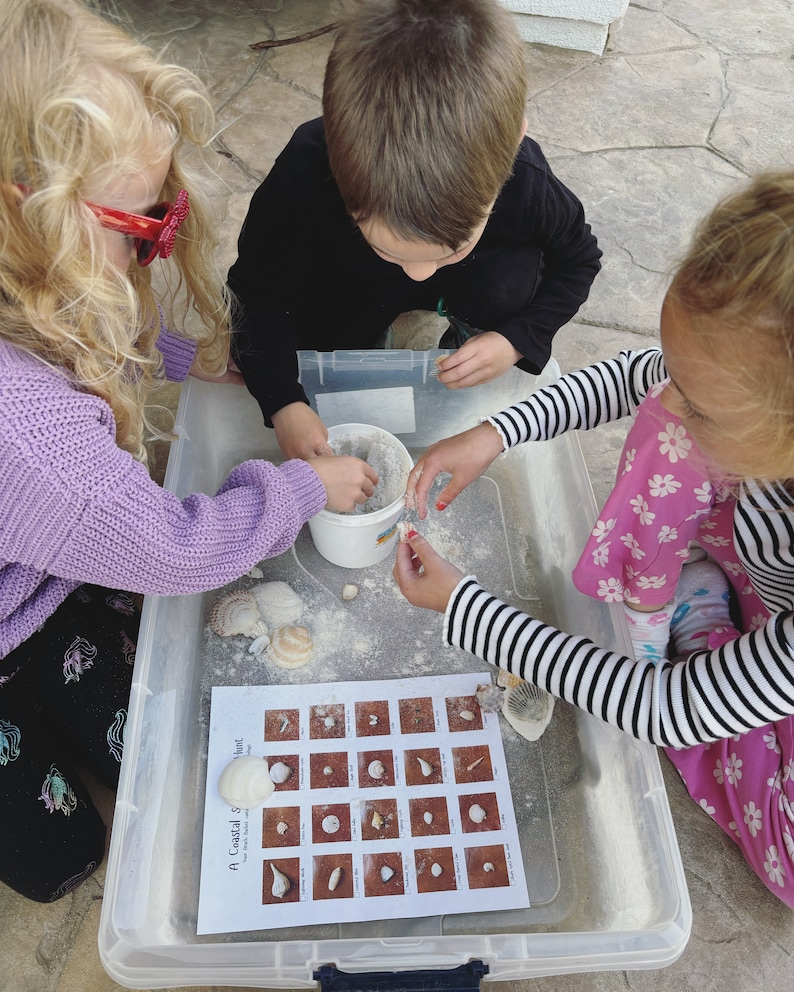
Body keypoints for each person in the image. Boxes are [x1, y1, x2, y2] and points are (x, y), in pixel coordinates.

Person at [0, 0, 377, 903]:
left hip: (37, 568)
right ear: (27, 209)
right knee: (66, 861)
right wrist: (299, 489)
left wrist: (205, 360)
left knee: (168, 747)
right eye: (145, 228)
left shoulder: (32, 273)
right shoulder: (33, 443)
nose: (162, 243)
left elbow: (95, 335)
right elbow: (174, 550)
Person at [394, 170, 794, 908]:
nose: (666, 400)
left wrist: (463, 606)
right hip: (774, 572)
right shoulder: (752, 392)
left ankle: (711, 639)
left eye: (701, 406)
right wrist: (496, 430)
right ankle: (727, 616)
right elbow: (636, 375)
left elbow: (665, 708)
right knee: (675, 435)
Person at [228, 0, 601, 461]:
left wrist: (517, 338)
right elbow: (256, 297)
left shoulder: (526, 179)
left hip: (480, 281)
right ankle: (366, 340)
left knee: (510, 284)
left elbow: (579, 259)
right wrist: (283, 401)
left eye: (448, 250)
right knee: (317, 331)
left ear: (512, 148)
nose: (419, 273)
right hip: (351, 281)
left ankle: (472, 338)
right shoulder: (306, 170)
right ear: (338, 177)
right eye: (390, 249)